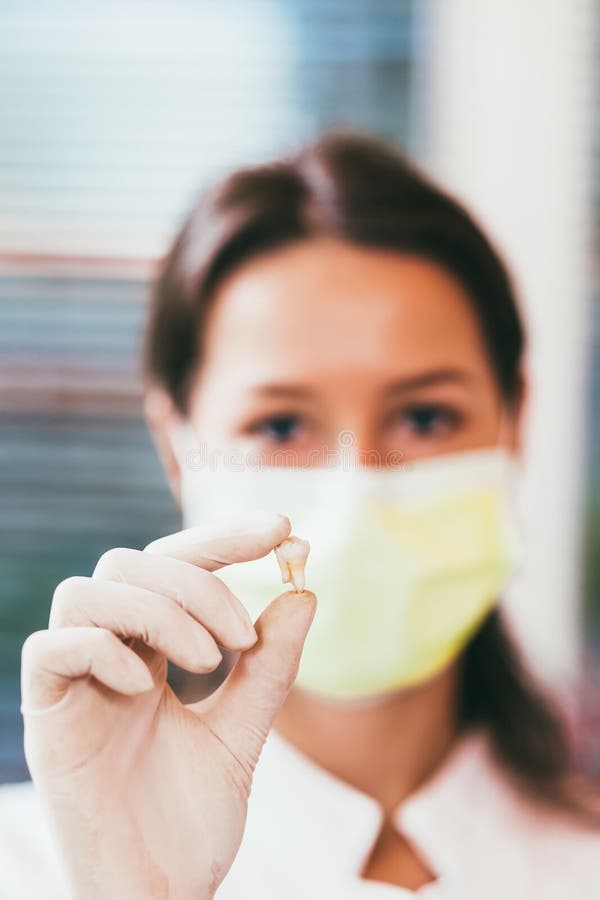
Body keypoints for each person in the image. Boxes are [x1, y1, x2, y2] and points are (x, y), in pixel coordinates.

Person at [1, 130, 599, 899]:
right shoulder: (32, 869)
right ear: (176, 446)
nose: (357, 492)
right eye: (281, 426)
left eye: (424, 417)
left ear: (514, 420)